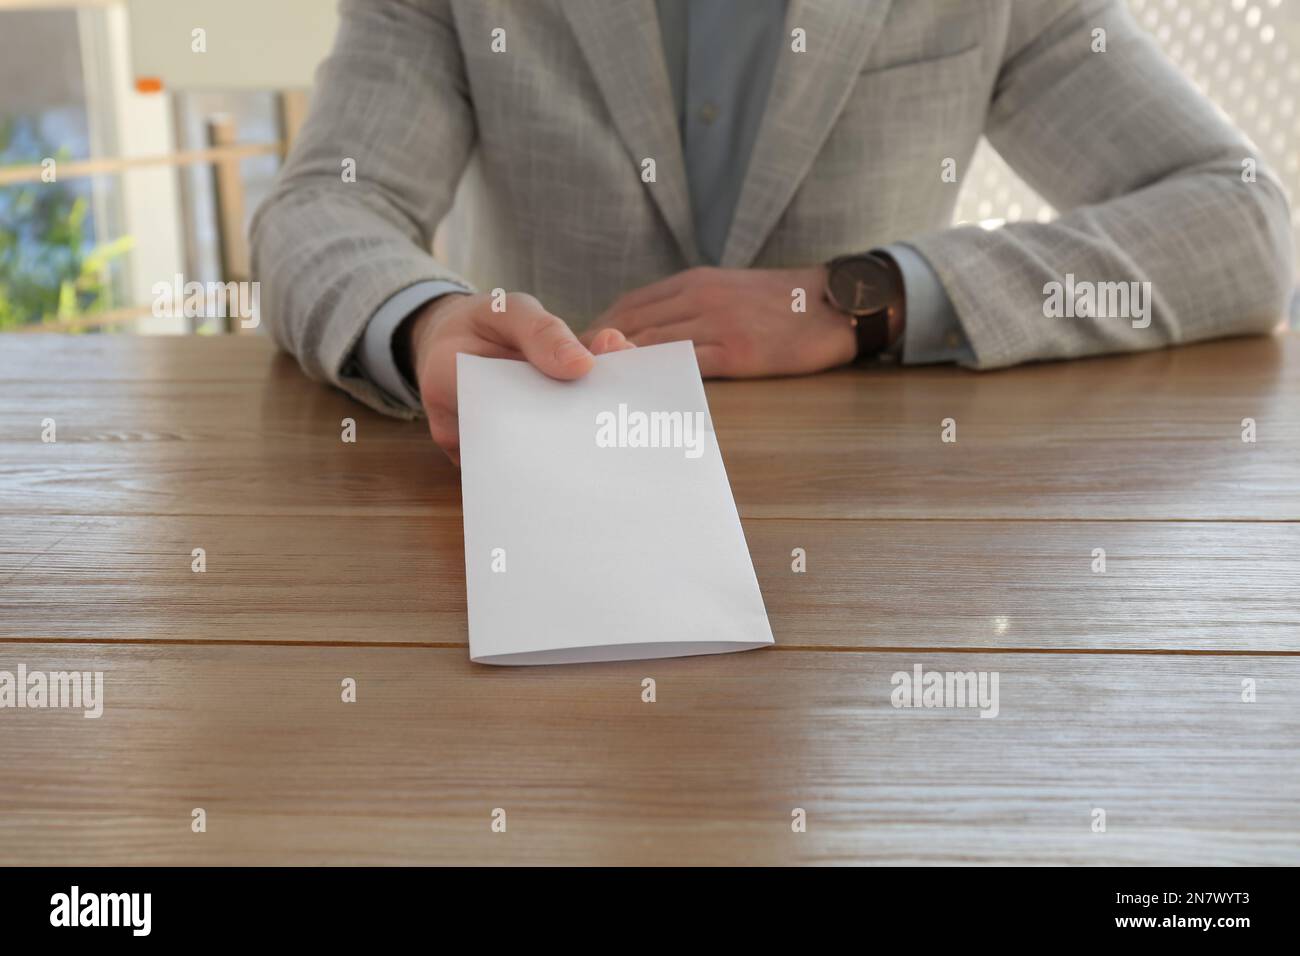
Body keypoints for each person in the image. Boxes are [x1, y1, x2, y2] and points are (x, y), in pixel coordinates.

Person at [251, 0, 1295, 463]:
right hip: (538, 499)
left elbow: (1241, 224)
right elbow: (324, 205)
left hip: (865, 532)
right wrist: (426, 320)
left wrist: (863, 296)